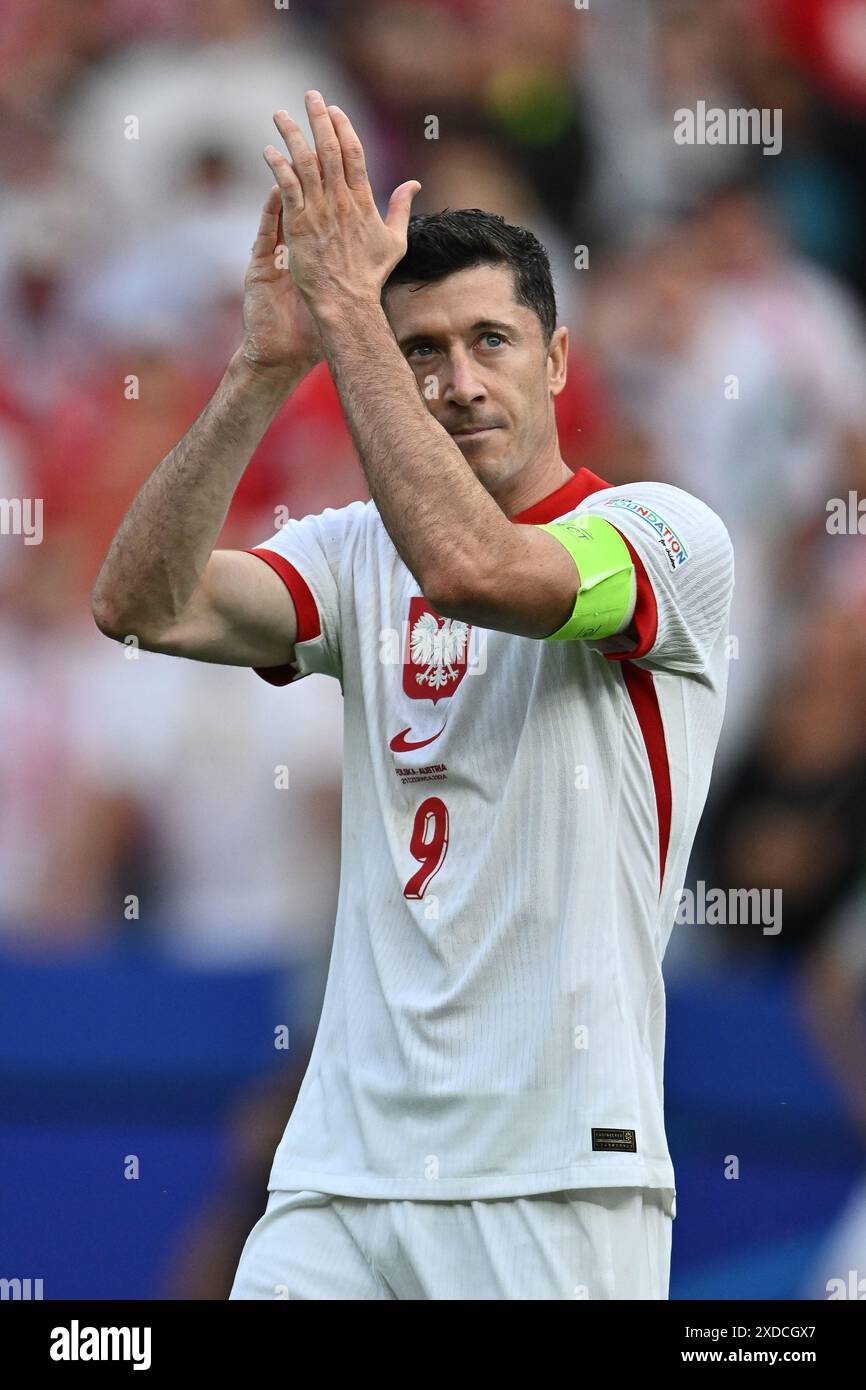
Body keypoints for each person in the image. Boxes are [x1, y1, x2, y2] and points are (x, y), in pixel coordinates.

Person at [92, 91, 734, 1300]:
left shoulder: (657, 536)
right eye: (419, 352)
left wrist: (349, 314)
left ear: (553, 360)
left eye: (488, 341)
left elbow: (476, 570)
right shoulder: (353, 552)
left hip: (552, 1176)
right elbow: (142, 605)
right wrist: (262, 365)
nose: (457, 380)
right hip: (339, 1173)